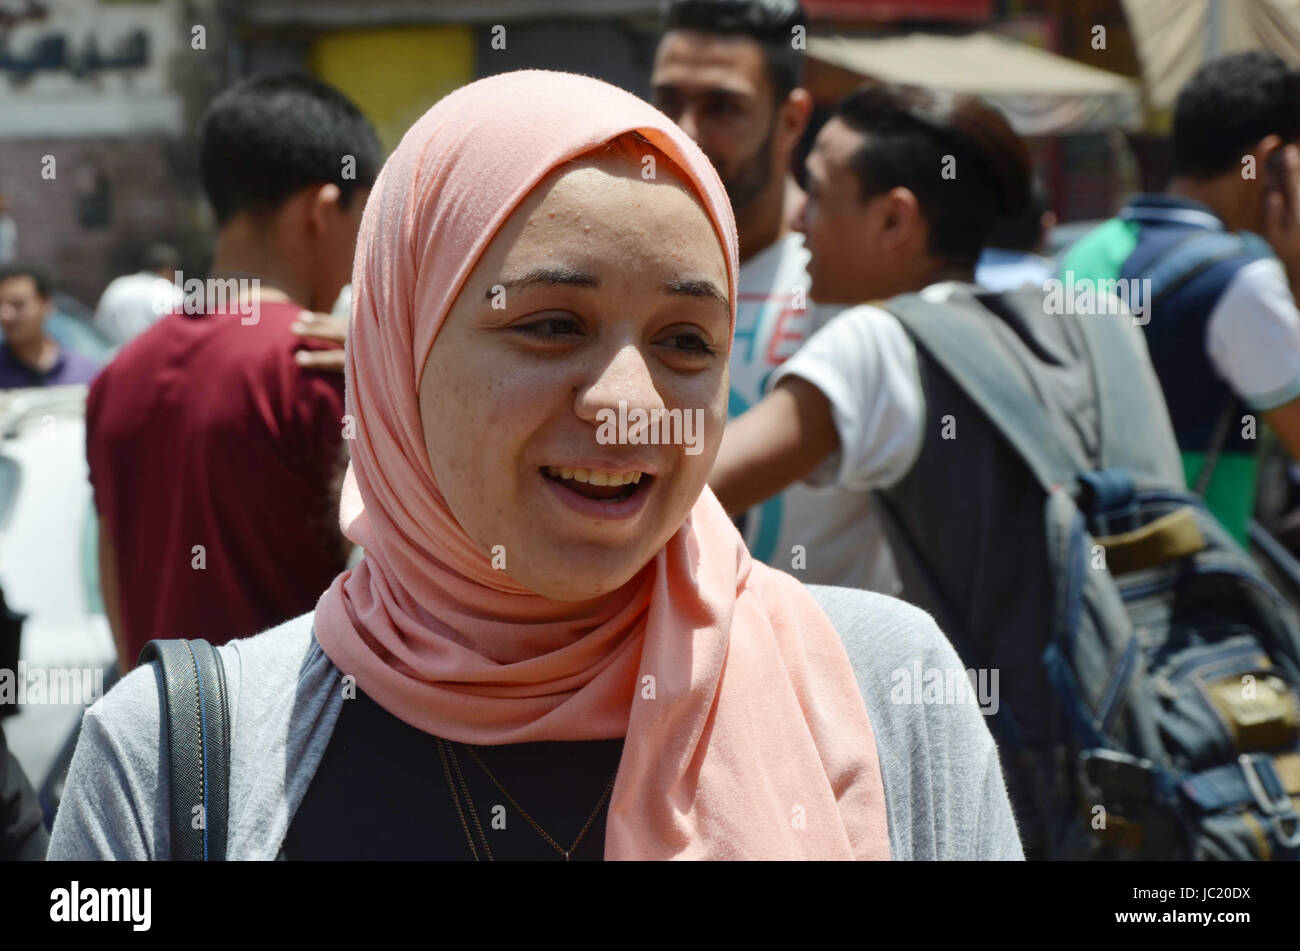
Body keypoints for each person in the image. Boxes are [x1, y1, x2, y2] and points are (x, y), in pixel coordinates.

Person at [48, 70, 1021, 861]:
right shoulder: (172, 767)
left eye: (688, 342)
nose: (631, 409)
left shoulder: (885, 694)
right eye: (552, 326)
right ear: (397, 352)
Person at [709, 83, 1185, 857]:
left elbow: (684, 492)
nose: (798, 218)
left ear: (895, 217)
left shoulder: (876, 343)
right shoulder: (1088, 318)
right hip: (1154, 755)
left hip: (993, 784)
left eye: (819, 194)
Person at [85, 74, 381, 674]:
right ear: (323, 210)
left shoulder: (116, 377)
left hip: (157, 744)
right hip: (293, 753)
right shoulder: (322, 368)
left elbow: (114, 567)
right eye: (365, 220)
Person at [652, 0, 899, 593]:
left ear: (791, 121)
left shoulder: (850, 284)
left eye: (722, 108)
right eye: (668, 102)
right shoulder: (618, 278)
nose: (683, 133)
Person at [1063, 51, 1300, 547]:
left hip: (1079, 580)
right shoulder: (1243, 281)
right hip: (1185, 589)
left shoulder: (1081, 253)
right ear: (1268, 160)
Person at [0, 263, 100, 388]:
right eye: (1, 305)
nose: (5, 315)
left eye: (18, 304)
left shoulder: (82, 373)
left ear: (46, 303)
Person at [92, 243, 184, 347]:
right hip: (148, 359)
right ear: (166, 270)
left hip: (108, 356)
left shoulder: (119, 285)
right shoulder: (173, 295)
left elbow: (99, 322)